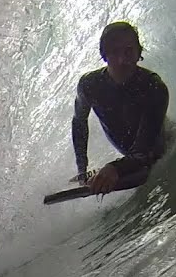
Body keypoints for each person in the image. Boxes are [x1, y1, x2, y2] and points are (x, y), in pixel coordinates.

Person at [71, 21, 169, 194]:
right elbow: (79, 122)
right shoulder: (89, 85)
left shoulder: (153, 87)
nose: (122, 59)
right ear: (104, 54)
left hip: (160, 154)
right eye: (114, 52)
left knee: (146, 162)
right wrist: (82, 169)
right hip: (133, 160)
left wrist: (115, 168)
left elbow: (144, 151)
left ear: (139, 52)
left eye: (129, 51)